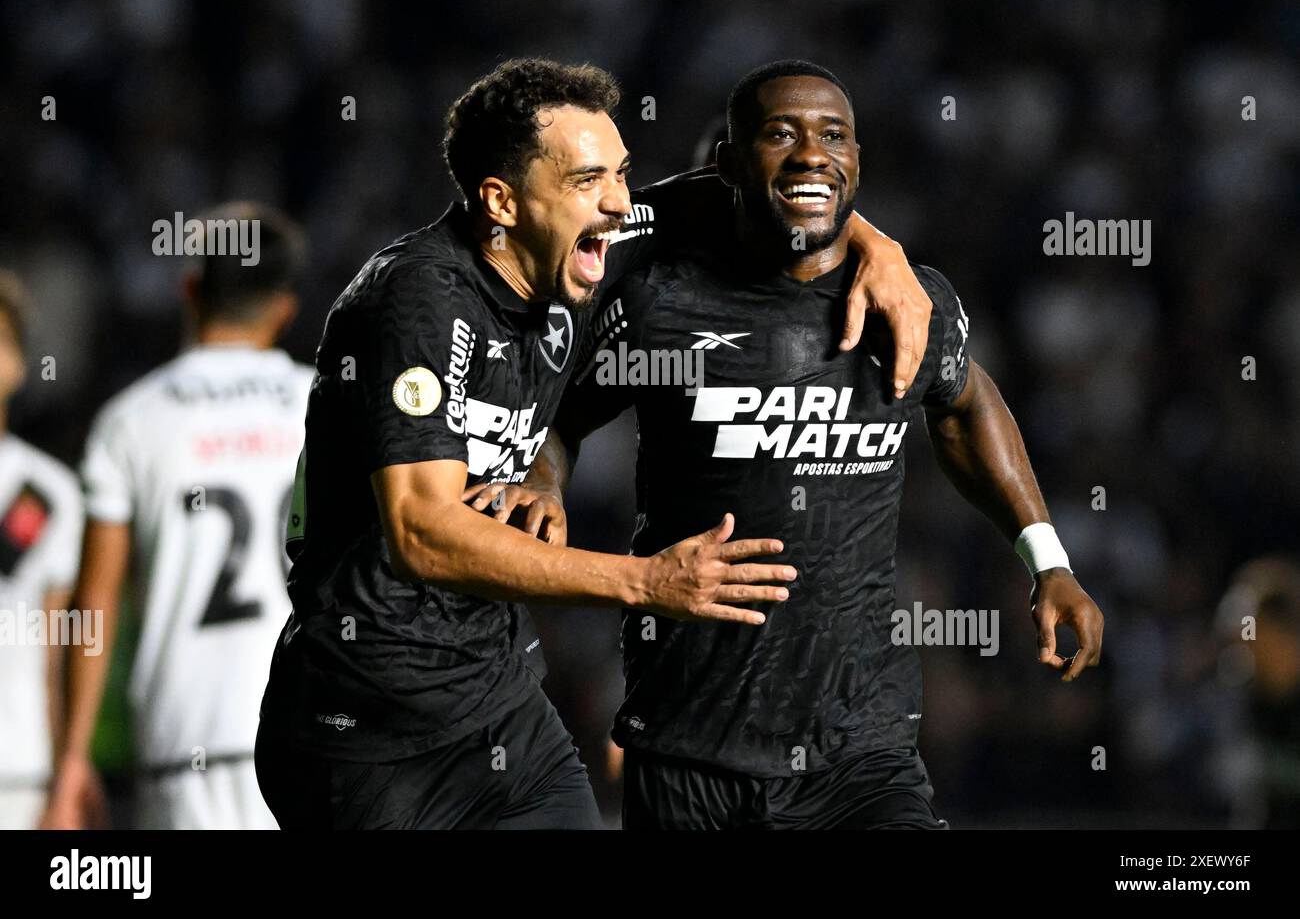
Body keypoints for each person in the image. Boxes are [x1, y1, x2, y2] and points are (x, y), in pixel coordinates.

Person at [254, 58, 928, 830]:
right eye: (586, 180)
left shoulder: (585, 251)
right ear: (501, 202)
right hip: (366, 730)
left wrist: (881, 248)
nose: (617, 203)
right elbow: (421, 532)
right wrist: (643, 583)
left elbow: (752, 195)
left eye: (622, 173)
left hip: (503, 713)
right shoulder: (418, 300)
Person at [515, 60, 1106, 829]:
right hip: (691, 744)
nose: (810, 152)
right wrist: (545, 481)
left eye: (833, 135)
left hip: (859, 752)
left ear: (858, 160)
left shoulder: (911, 305)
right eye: (780, 134)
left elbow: (964, 403)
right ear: (726, 163)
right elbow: (560, 418)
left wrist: (1047, 559)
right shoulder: (661, 305)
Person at [42, 203, 312, 829]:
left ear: (189, 289)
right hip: (319, 735)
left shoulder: (129, 422)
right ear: (284, 308)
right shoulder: (325, 400)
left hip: (183, 742)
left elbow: (96, 603)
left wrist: (73, 759)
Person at [0, 271, 84, 829]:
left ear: (18, 364)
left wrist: (66, 774)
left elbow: (55, 649)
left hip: (19, 772)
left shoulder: (49, 490)